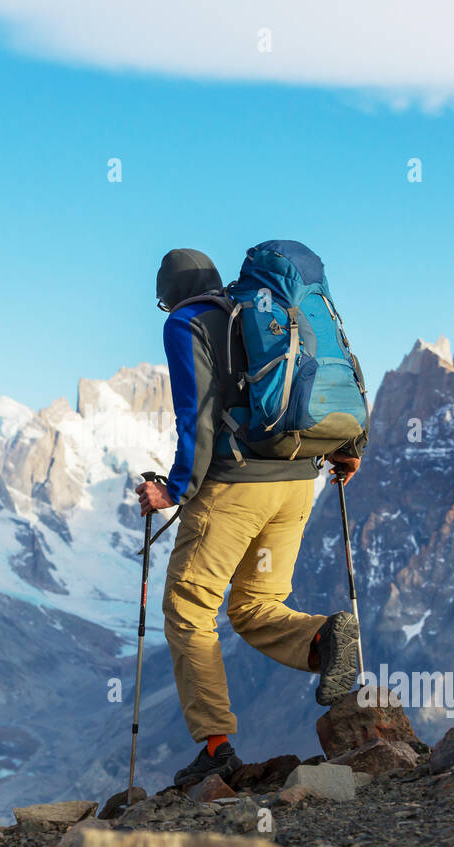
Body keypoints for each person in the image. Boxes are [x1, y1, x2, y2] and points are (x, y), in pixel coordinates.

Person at [136, 248, 367, 787]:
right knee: (255, 605)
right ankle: (324, 638)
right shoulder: (262, 313)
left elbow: (196, 415)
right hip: (297, 483)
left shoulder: (187, 322)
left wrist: (173, 490)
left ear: (170, 294)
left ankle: (216, 749)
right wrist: (348, 448)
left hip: (234, 489)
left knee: (189, 609)